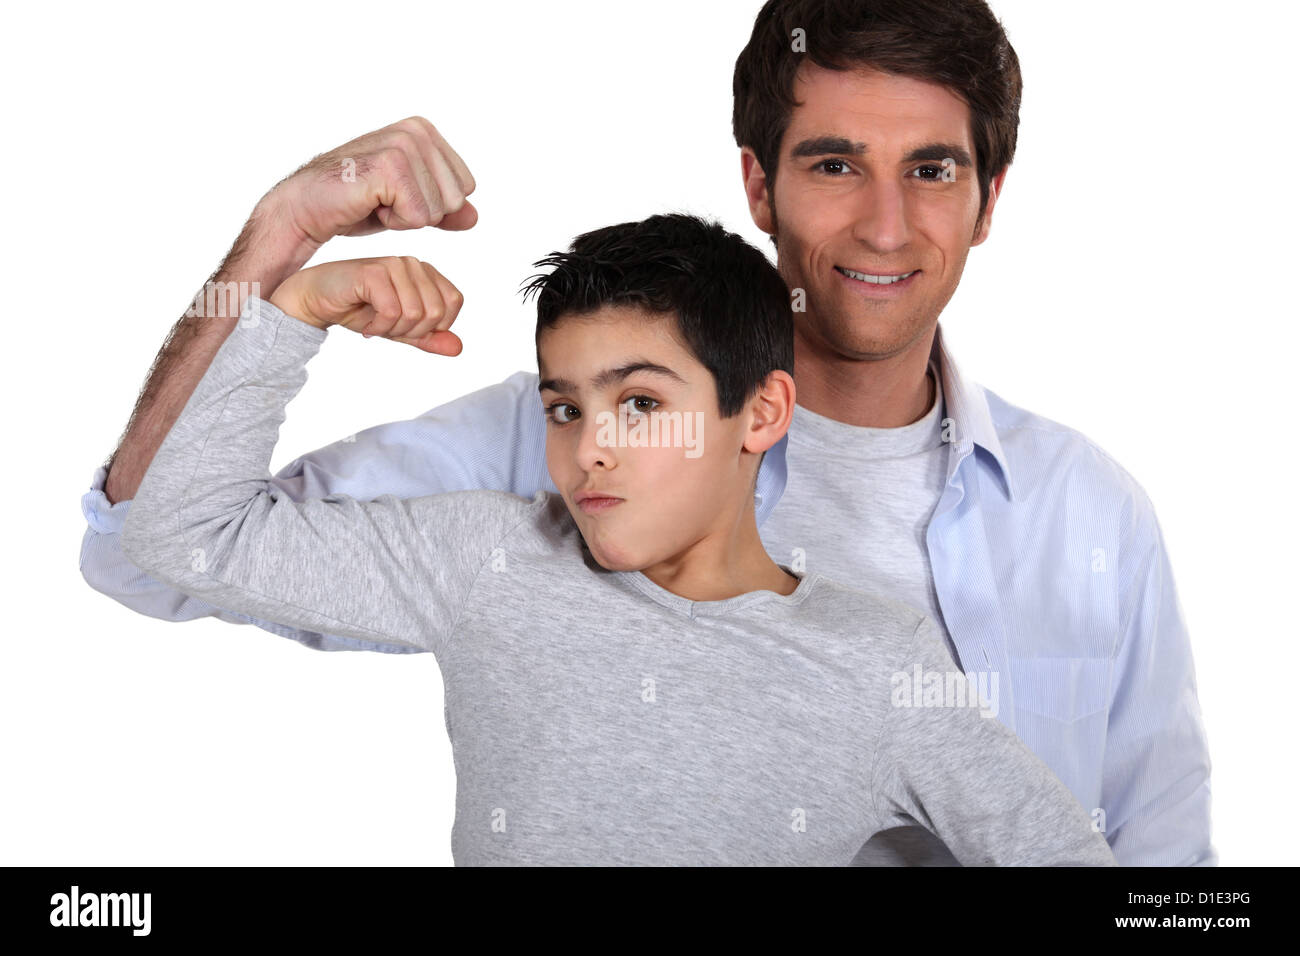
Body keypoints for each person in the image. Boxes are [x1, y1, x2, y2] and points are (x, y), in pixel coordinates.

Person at [81, 0, 1213, 865]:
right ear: (758, 184)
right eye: (832, 164)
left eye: (931, 169)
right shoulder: (523, 484)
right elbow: (150, 546)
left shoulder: (1089, 511)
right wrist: (279, 242)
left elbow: (1160, 863)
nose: (884, 222)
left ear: (988, 197)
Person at [119, 213, 1116, 867]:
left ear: (759, 412)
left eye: (639, 402)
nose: (590, 448)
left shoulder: (876, 656)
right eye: (564, 407)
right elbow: (180, 534)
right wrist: (296, 308)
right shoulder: (483, 563)